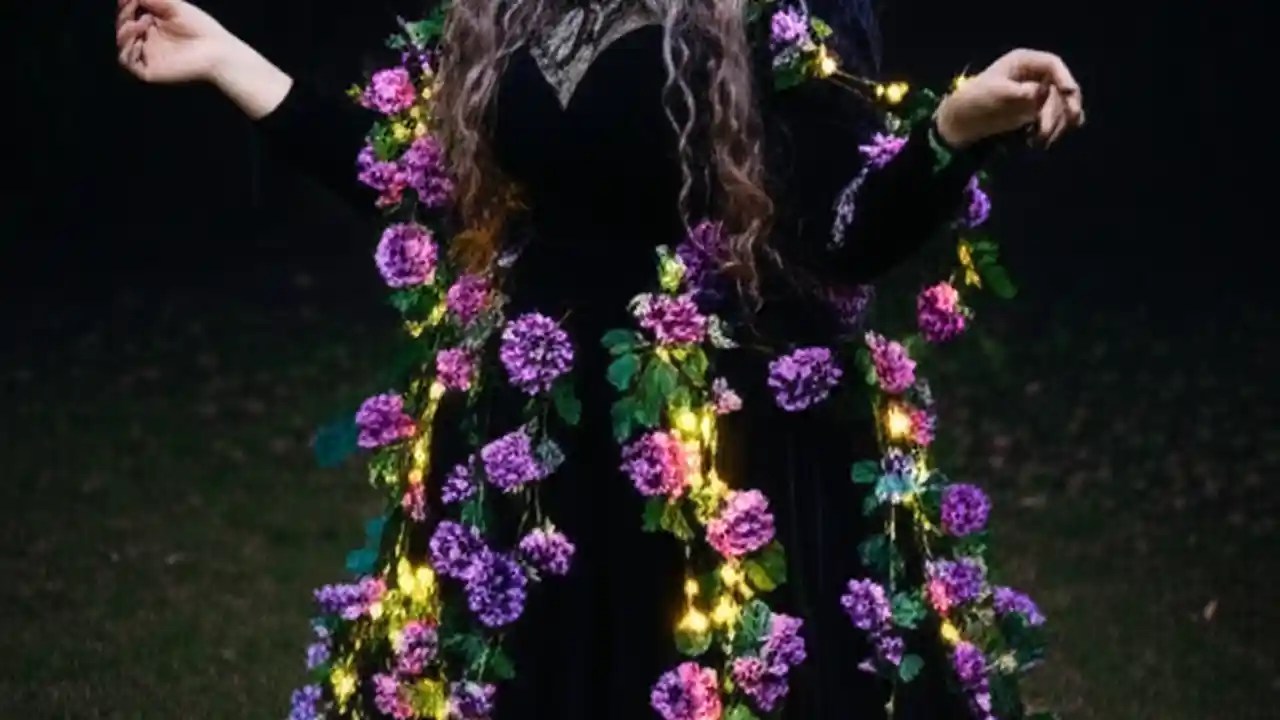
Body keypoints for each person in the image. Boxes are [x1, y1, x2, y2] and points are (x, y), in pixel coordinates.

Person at [116, 1, 1084, 718]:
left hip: (703, 468)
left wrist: (952, 128)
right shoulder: (512, 11)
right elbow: (409, 175)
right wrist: (226, 60)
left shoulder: (778, 14)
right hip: (533, 459)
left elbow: (841, 233)